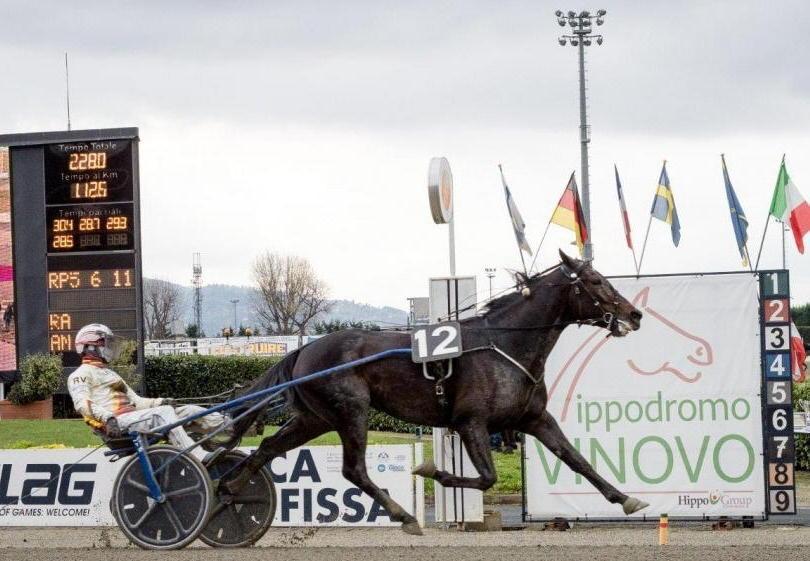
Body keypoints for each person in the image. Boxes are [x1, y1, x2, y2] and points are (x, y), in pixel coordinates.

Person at [67, 323, 226, 464]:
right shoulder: (80, 375)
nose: (110, 348)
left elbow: (136, 402)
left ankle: (230, 426)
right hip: (116, 423)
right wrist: (108, 418)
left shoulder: (111, 374)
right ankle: (197, 456)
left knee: (189, 411)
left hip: (132, 418)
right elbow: (82, 404)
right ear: (91, 347)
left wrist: (161, 402)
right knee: (163, 414)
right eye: (106, 343)